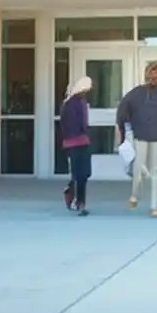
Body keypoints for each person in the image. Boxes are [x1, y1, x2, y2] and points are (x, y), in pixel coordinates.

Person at [116, 62, 157, 217]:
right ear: (147, 75)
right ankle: (135, 194)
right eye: (153, 74)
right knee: (138, 168)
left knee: (155, 171)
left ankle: (154, 206)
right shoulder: (136, 93)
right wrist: (123, 131)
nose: (156, 78)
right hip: (140, 135)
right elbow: (122, 110)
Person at [60, 76, 93, 216]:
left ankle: (77, 199)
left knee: (84, 174)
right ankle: (78, 202)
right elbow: (68, 125)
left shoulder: (82, 102)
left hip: (82, 142)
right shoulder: (69, 104)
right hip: (73, 143)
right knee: (78, 174)